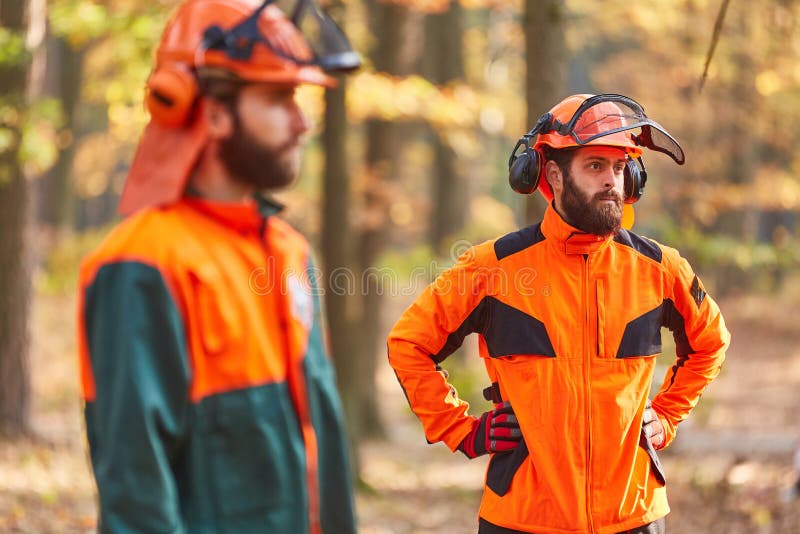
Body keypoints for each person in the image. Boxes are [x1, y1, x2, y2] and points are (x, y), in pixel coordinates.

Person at [387, 93, 730, 534]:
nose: (612, 181)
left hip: (634, 515)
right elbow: (408, 344)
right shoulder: (492, 268)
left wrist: (666, 415)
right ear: (554, 173)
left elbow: (712, 342)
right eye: (595, 166)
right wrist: (460, 430)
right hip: (524, 517)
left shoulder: (660, 269)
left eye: (621, 167)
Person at [76, 1, 360, 532]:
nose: (301, 123)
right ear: (212, 111)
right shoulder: (142, 264)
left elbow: (319, 448)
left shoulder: (289, 252)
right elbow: (136, 493)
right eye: (279, 98)